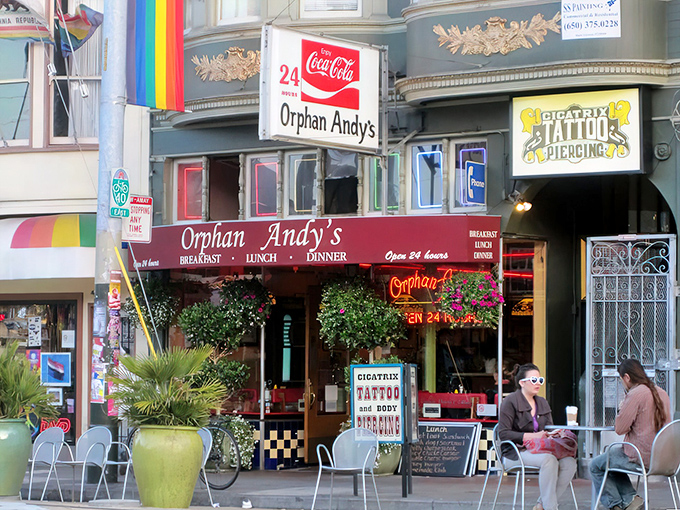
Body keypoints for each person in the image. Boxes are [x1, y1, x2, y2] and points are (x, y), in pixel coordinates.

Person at [589, 359, 671, 510]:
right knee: (611, 458)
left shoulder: (636, 394)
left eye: (621, 380)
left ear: (626, 377)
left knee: (596, 465)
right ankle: (631, 499)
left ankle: (616, 505)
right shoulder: (662, 393)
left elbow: (620, 428)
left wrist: (622, 409)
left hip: (642, 458)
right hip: (664, 459)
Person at [498, 363, 577, 510]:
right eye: (534, 380)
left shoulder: (542, 402)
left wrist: (555, 434)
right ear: (522, 383)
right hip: (515, 453)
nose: (538, 383)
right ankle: (551, 507)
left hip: (541, 449)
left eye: (540, 380)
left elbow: (548, 429)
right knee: (549, 460)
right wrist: (531, 436)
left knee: (569, 463)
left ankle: (541, 505)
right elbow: (503, 433)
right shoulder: (510, 401)